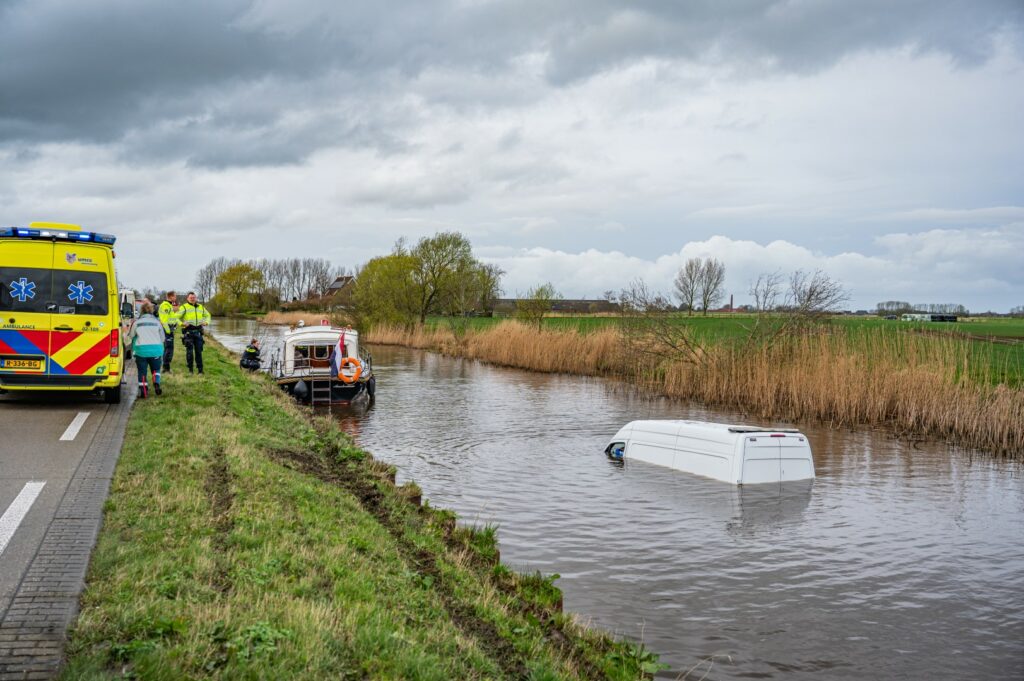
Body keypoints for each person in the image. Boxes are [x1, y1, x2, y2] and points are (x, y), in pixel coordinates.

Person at [125, 302, 165, 398]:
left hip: (141, 351)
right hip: (156, 350)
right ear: (152, 310)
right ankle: (156, 382)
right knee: (156, 369)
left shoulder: (137, 323)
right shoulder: (157, 322)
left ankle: (144, 391)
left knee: (142, 371)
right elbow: (163, 338)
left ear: (141, 311)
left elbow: (131, 336)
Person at [178, 291, 211, 374]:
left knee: (199, 352)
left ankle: (200, 370)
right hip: (188, 332)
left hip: (198, 332)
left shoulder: (200, 307)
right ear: (187, 298)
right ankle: (190, 370)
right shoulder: (184, 307)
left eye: (194, 297)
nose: (192, 299)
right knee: (189, 352)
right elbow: (175, 317)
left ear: (196, 298)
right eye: (191, 298)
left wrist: (206, 322)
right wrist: (182, 324)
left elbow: (208, 315)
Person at [158, 290, 180, 372]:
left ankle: (166, 367)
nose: (176, 297)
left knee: (169, 348)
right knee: (168, 349)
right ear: (171, 297)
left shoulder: (169, 305)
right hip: (167, 330)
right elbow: (164, 320)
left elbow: (173, 318)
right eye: (175, 296)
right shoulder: (165, 305)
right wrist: (168, 331)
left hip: (169, 329)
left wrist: (181, 324)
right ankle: (165, 368)